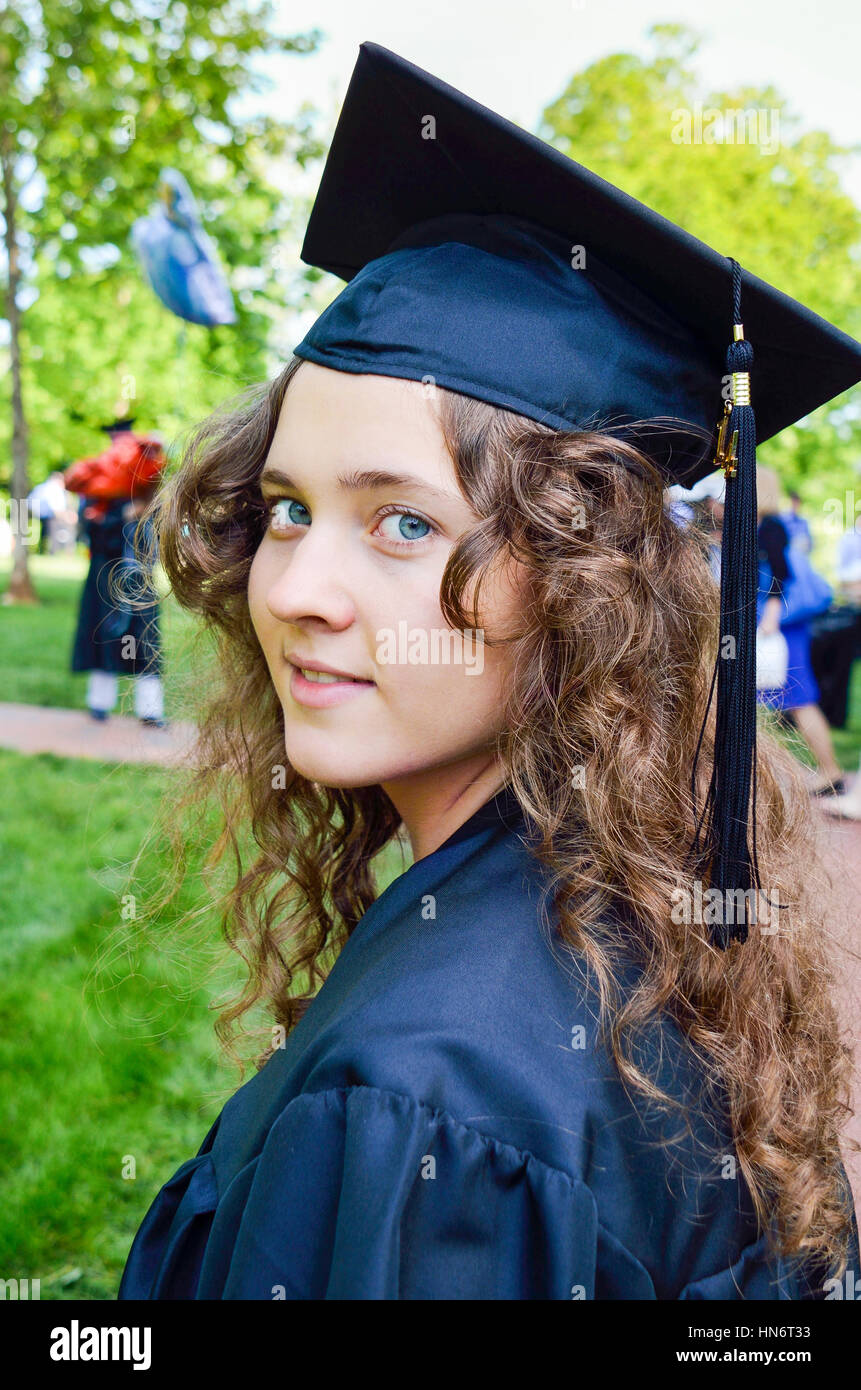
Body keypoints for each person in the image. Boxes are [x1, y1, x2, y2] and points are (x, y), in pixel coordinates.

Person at [116, 44, 861, 1301]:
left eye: (404, 522)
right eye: (288, 508)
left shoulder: (420, 1100)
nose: (294, 588)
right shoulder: (631, 914)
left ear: (590, 590)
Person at [66, 420, 167, 727]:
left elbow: (159, 539)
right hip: (104, 574)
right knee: (102, 634)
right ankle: (99, 704)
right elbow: (93, 537)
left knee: (145, 639)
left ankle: (151, 710)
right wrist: (117, 518)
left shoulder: (150, 498)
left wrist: (141, 514)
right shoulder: (98, 499)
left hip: (139, 577)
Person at [755, 467, 845, 795]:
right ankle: (826, 771)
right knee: (794, 698)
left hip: (780, 625)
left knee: (799, 698)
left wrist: (771, 617)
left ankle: (830, 770)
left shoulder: (771, 526)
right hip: (784, 624)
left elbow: (781, 574)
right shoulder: (773, 525)